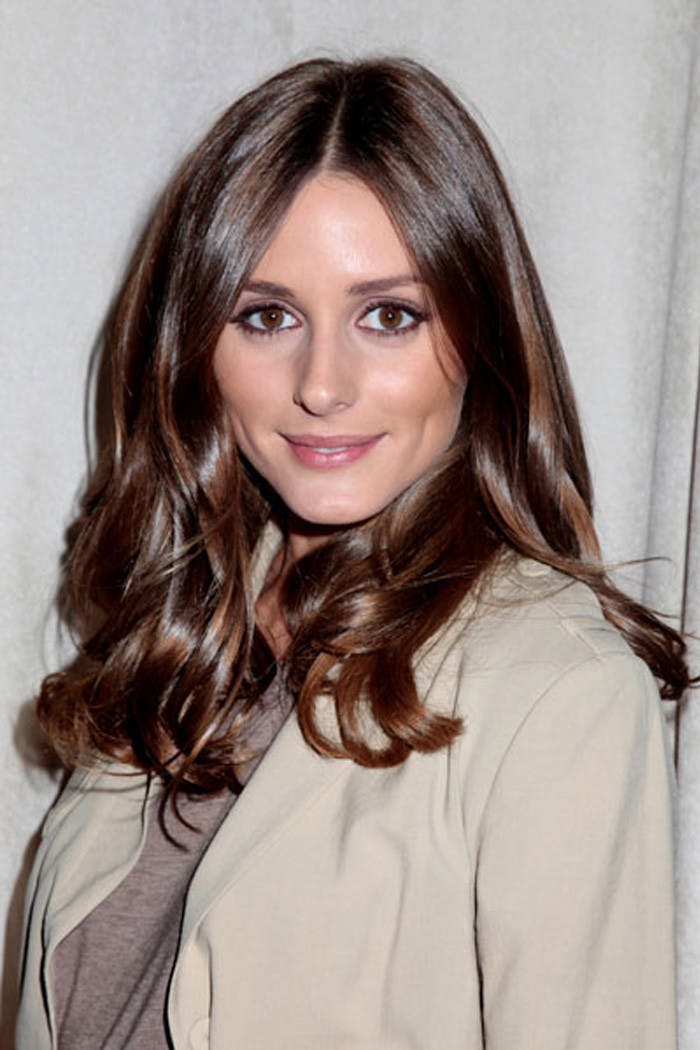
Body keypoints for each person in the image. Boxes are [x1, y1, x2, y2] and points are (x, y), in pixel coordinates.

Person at [17, 56, 689, 1050]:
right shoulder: (175, 646)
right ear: (198, 345)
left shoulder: (556, 689)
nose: (321, 384)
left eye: (389, 315)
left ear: (480, 336)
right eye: (267, 315)